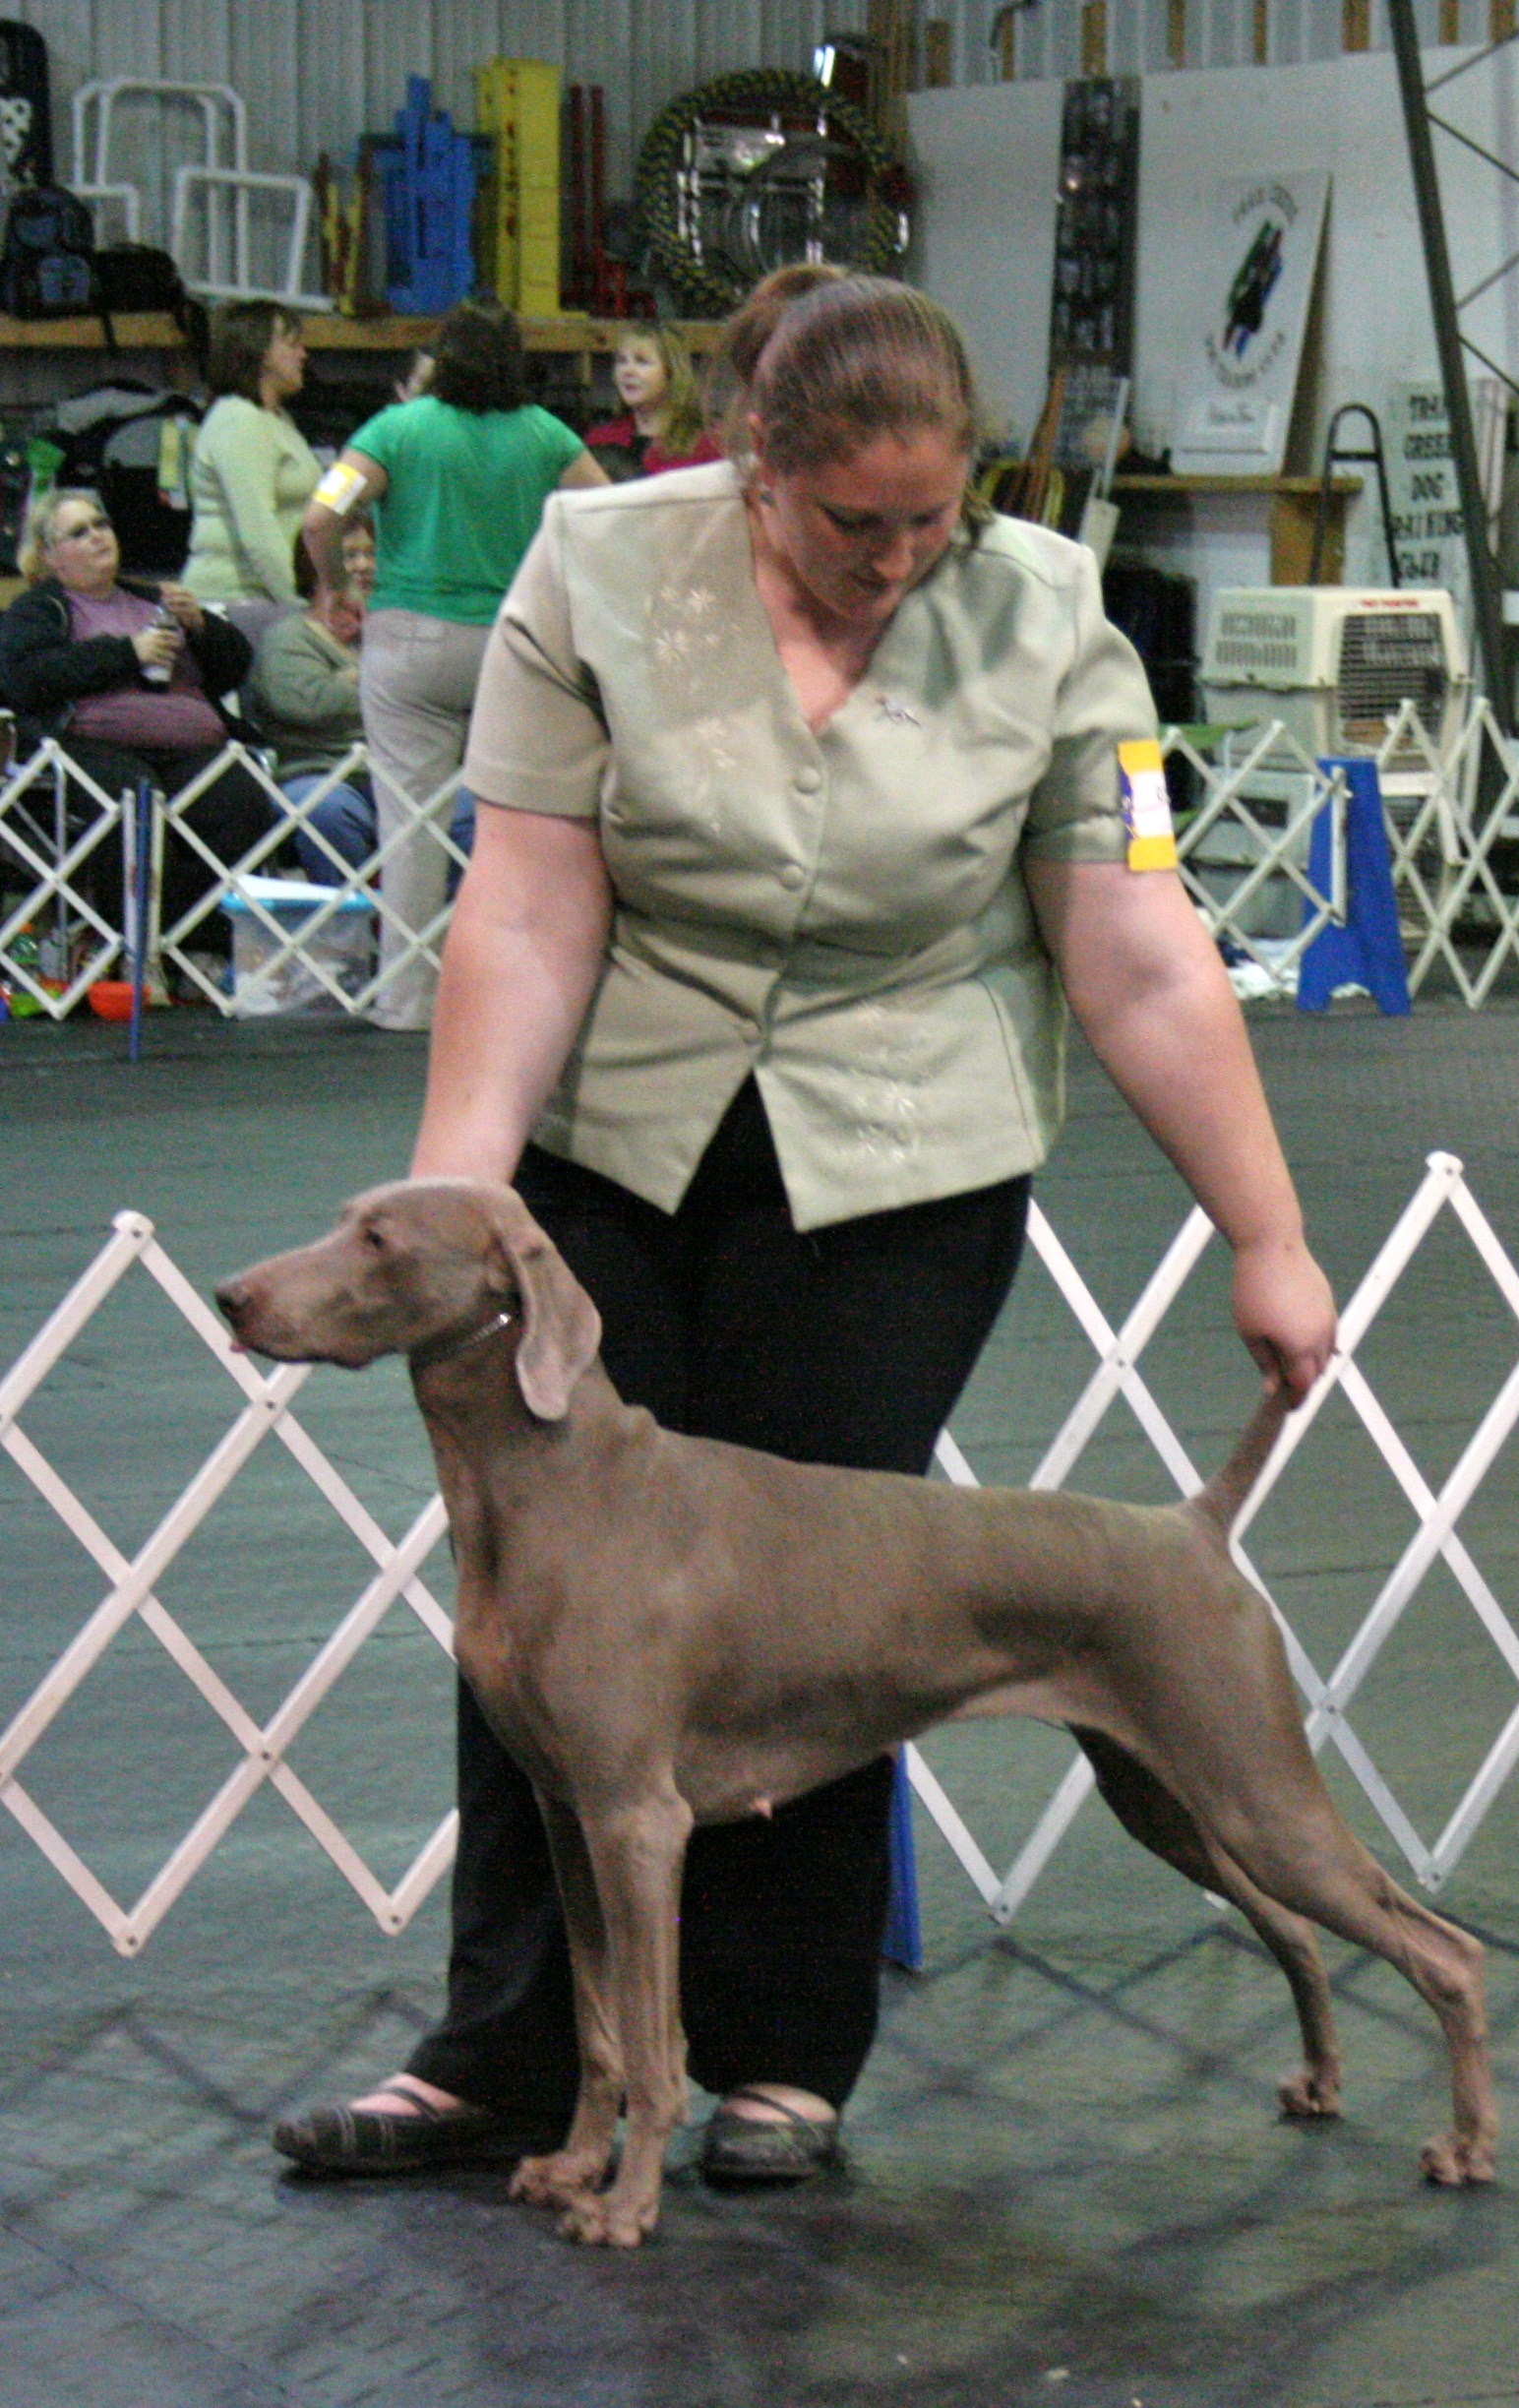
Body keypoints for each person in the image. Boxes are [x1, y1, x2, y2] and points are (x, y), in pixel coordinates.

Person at [273, 268, 1334, 2191]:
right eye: (859, 524)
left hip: (901, 1155)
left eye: (936, 518)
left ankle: (779, 2054)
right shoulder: (594, 565)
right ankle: (508, 2052)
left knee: (834, 1582)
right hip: (612, 1137)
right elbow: (522, 903)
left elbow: (1135, 946)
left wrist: (1263, 1230)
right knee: (556, 1594)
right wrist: (460, 1194)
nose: (903, 560)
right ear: (757, 462)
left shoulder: (1043, 612)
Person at [301, 297, 609, 1032]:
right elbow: (609, 514)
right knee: (531, 819)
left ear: (440, 359)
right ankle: (536, 990)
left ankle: (405, 1000)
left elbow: (320, 516)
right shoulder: (546, 434)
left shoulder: (395, 430)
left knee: (409, 822)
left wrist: (338, 590)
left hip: (410, 641)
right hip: (516, 641)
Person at [0, 485, 278, 937]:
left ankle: (211, 944)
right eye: (79, 532)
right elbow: (26, 679)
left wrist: (202, 626)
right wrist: (128, 653)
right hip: (93, 745)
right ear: (51, 556)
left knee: (238, 798)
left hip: (197, 746)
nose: (97, 536)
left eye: (101, 524)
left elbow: (234, 669)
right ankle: (137, 943)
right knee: (134, 799)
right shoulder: (39, 609)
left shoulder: (153, 598)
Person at [245, 566, 473, 886]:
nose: (363, 565)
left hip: (412, 771)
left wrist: (351, 679)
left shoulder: (410, 631)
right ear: (314, 566)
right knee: (327, 810)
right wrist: (387, 685)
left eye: (371, 553)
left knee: (470, 807)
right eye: (349, 555)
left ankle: (436, 925)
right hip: (321, 771)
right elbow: (306, 703)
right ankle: (344, 927)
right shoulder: (288, 637)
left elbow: (444, 696)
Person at [182, 303, 321, 610]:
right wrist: (301, 610)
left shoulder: (277, 419)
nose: (303, 354)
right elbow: (259, 533)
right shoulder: (238, 420)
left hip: (266, 599)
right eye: (292, 344)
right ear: (260, 353)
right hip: (234, 601)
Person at [585, 322, 723, 479]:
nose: (627, 371)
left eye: (641, 361)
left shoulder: (709, 443)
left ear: (672, 371)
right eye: (621, 361)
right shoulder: (601, 439)